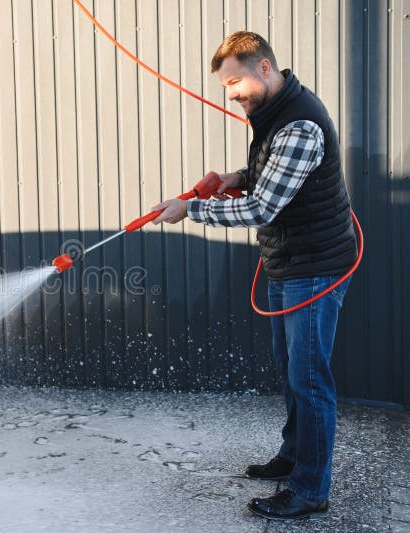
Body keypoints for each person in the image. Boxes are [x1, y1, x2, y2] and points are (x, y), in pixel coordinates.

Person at [150, 31, 358, 520]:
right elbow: (267, 175)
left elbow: (264, 207)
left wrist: (192, 208)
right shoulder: (273, 112)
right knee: (291, 367)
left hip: (315, 266)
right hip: (289, 260)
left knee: (309, 380)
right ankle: (293, 456)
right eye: (226, 86)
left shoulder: (299, 125)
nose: (232, 94)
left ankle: (310, 490)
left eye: (237, 82)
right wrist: (232, 178)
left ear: (265, 68)